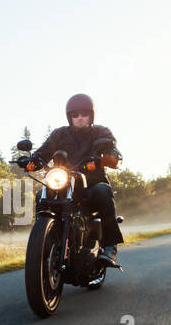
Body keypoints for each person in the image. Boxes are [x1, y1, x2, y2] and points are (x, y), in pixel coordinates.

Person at [27, 93, 124, 263]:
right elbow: (43, 152)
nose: (79, 118)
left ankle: (110, 247)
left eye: (84, 114)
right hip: (64, 183)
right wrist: (32, 160)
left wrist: (109, 157)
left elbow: (113, 152)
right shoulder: (59, 134)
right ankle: (42, 245)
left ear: (91, 115)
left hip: (91, 184)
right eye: (75, 115)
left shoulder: (101, 132)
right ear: (69, 117)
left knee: (102, 190)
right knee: (40, 196)